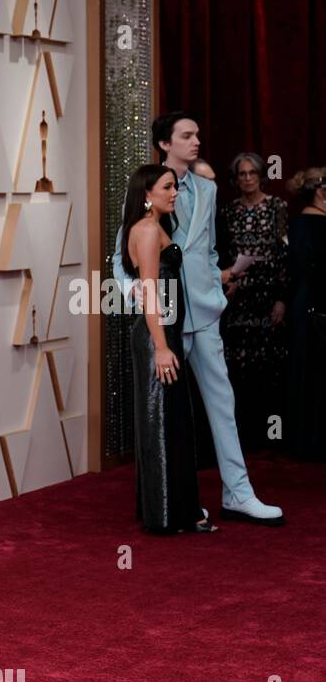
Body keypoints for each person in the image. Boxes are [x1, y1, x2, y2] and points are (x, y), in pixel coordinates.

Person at [112, 112, 284, 526]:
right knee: (168, 413)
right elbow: (120, 255)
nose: (196, 142)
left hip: (204, 313)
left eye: (197, 135)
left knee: (222, 405)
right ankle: (175, 503)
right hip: (166, 317)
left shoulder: (207, 189)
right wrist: (132, 291)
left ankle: (239, 493)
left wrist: (214, 287)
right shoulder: (146, 188)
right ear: (165, 144)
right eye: (186, 136)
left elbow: (205, 249)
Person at [122, 165, 215, 533]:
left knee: (173, 420)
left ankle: (179, 509)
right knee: (161, 422)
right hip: (156, 336)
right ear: (147, 193)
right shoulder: (146, 231)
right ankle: (165, 515)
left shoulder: (157, 227)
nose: (175, 193)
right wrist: (161, 347)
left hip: (166, 333)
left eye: (175, 186)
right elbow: (148, 292)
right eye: (168, 187)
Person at [217, 153, 290, 452]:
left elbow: (285, 256)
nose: (247, 178)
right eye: (242, 174)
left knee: (268, 370)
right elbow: (221, 253)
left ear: (262, 176)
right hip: (237, 299)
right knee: (236, 371)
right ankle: (240, 439)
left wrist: (281, 299)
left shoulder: (277, 207)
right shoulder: (228, 211)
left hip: (267, 296)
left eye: (252, 173)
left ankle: (271, 440)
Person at [279, 166, 326, 460]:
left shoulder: (296, 226)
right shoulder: (318, 228)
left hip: (301, 304)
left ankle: (304, 440)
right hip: (318, 303)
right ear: (321, 192)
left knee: (305, 370)